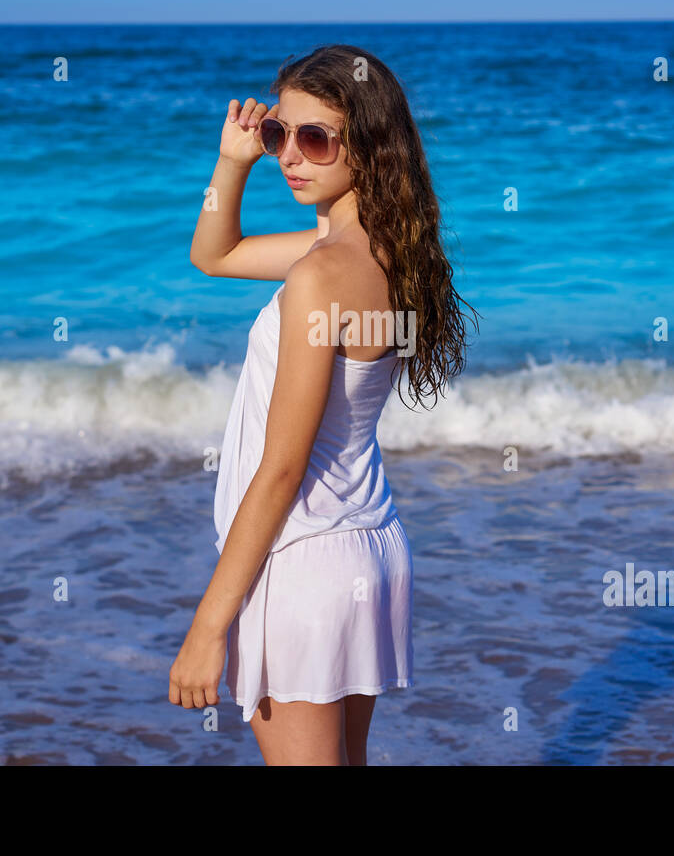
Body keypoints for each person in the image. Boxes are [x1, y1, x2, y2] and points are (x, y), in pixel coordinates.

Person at [169, 45, 476, 764]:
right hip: (367, 546)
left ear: (367, 142)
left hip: (303, 563)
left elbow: (281, 467)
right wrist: (232, 161)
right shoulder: (388, 251)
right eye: (281, 133)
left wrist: (209, 625)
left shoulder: (321, 273)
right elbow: (215, 255)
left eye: (315, 137)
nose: (288, 156)